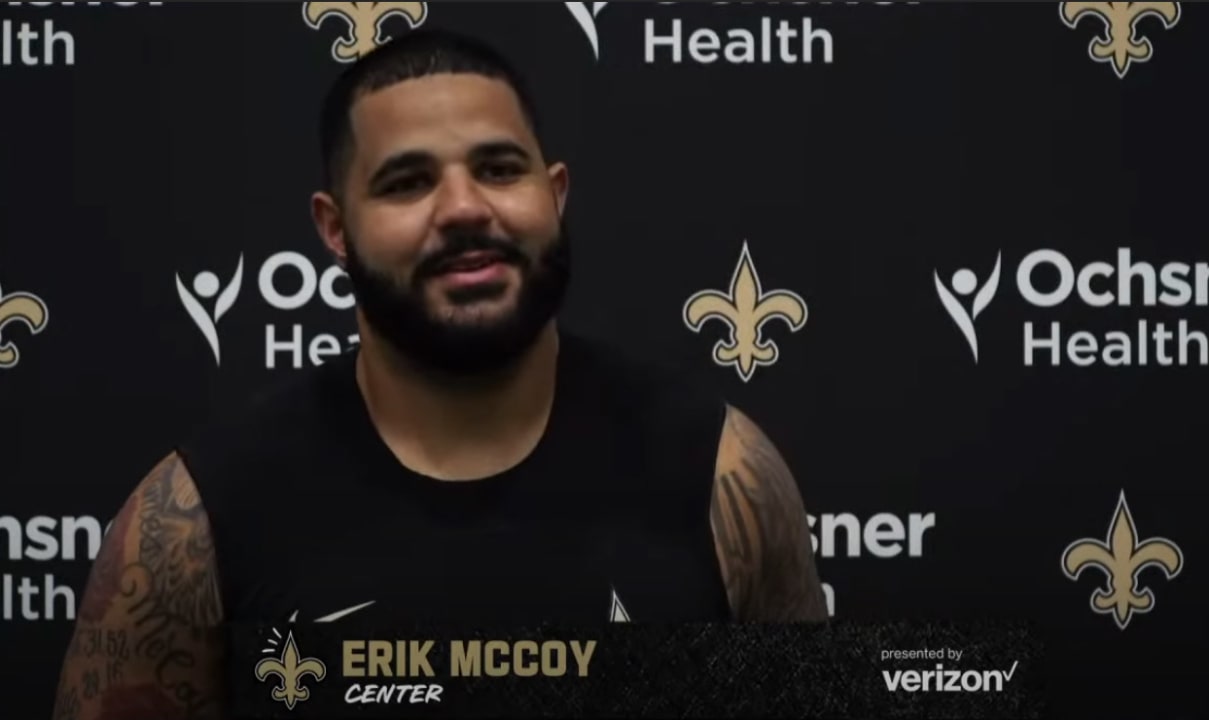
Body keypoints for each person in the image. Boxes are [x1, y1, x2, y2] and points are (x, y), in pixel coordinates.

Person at [50, 26, 827, 719]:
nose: (462, 207)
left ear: (554, 195)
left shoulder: (723, 474)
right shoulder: (194, 519)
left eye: (498, 168)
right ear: (335, 228)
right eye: (406, 182)